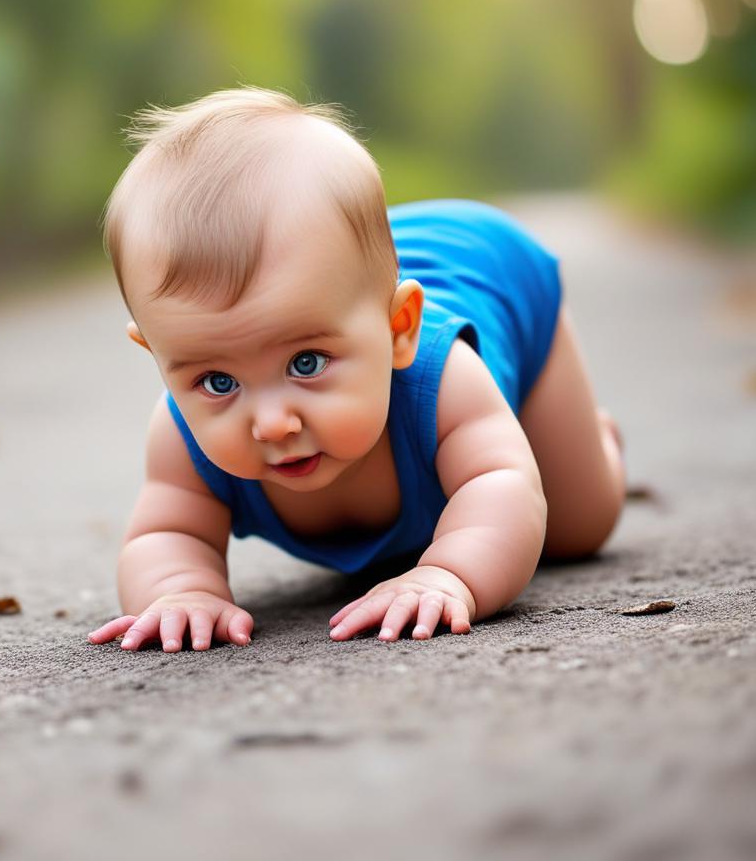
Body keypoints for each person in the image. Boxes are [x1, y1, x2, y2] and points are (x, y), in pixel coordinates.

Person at [87, 87, 626, 652]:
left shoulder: (443, 382)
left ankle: (592, 437)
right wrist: (180, 591)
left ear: (398, 330)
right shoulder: (181, 434)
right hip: (354, 287)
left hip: (498, 274)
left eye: (306, 362)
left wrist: (449, 574)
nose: (271, 423)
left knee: (575, 527)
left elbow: (502, 485)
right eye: (218, 382)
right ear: (158, 358)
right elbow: (165, 533)